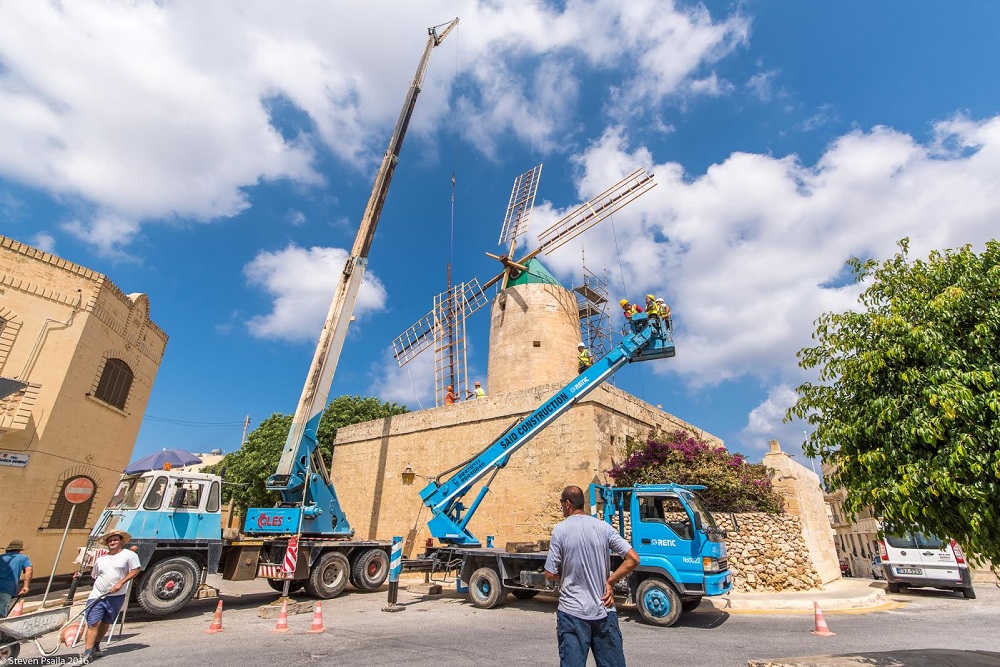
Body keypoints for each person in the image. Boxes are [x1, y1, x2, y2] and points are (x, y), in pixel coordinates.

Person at [544, 486, 639, 667]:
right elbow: (633, 559)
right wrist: (610, 581)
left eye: (561, 503)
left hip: (572, 612)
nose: (561, 507)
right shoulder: (603, 527)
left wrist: (567, 572)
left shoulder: (560, 530)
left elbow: (549, 574)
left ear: (568, 504)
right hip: (604, 610)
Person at [75, 530, 141, 663]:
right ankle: (87, 652)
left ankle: (95, 646)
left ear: (121, 541)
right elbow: (95, 575)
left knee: (106, 622)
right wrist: (79, 576)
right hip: (97, 595)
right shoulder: (101, 559)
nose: (112, 542)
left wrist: (121, 583)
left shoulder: (129, 555)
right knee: (93, 622)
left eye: (115, 540)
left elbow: (135, 570)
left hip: (116, 596)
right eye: (110, 540)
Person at [0, 539, 32, 616]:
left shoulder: (1, 557)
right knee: (1, 612)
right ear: (19, 550)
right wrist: (26, 586)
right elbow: (29, 570)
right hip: (7, 587)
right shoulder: (23, 558)